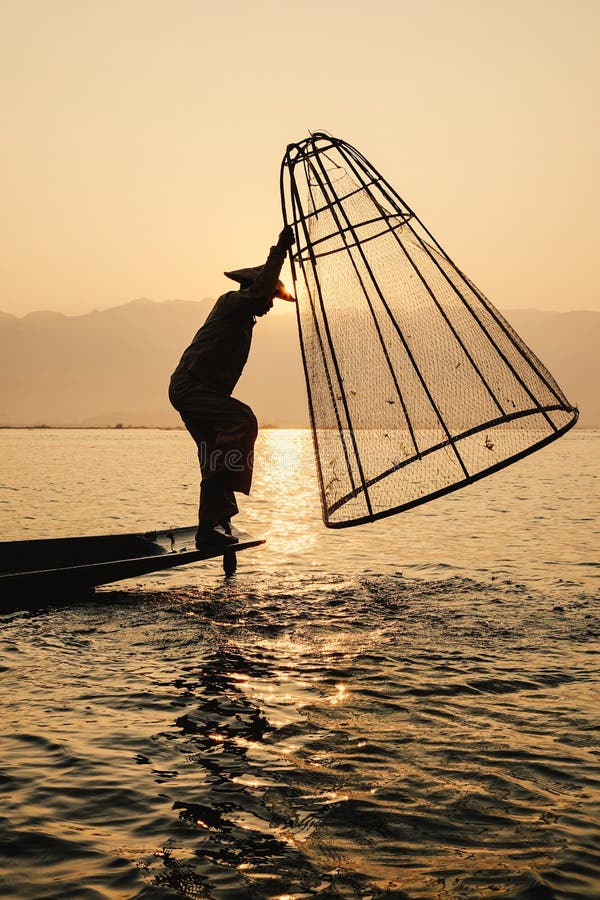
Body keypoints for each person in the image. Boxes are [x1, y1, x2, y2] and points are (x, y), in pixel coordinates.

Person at [169, 225, 295, 547]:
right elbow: (258, 292)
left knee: (215, 455)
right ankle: (216, 517)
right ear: (254, 289)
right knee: (242, 421)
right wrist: (280, 248)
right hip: (190, 388)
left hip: (201, 393)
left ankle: (213, 525)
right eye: (268, 297)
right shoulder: (231, 303)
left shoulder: (244, 323)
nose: (269, 304)